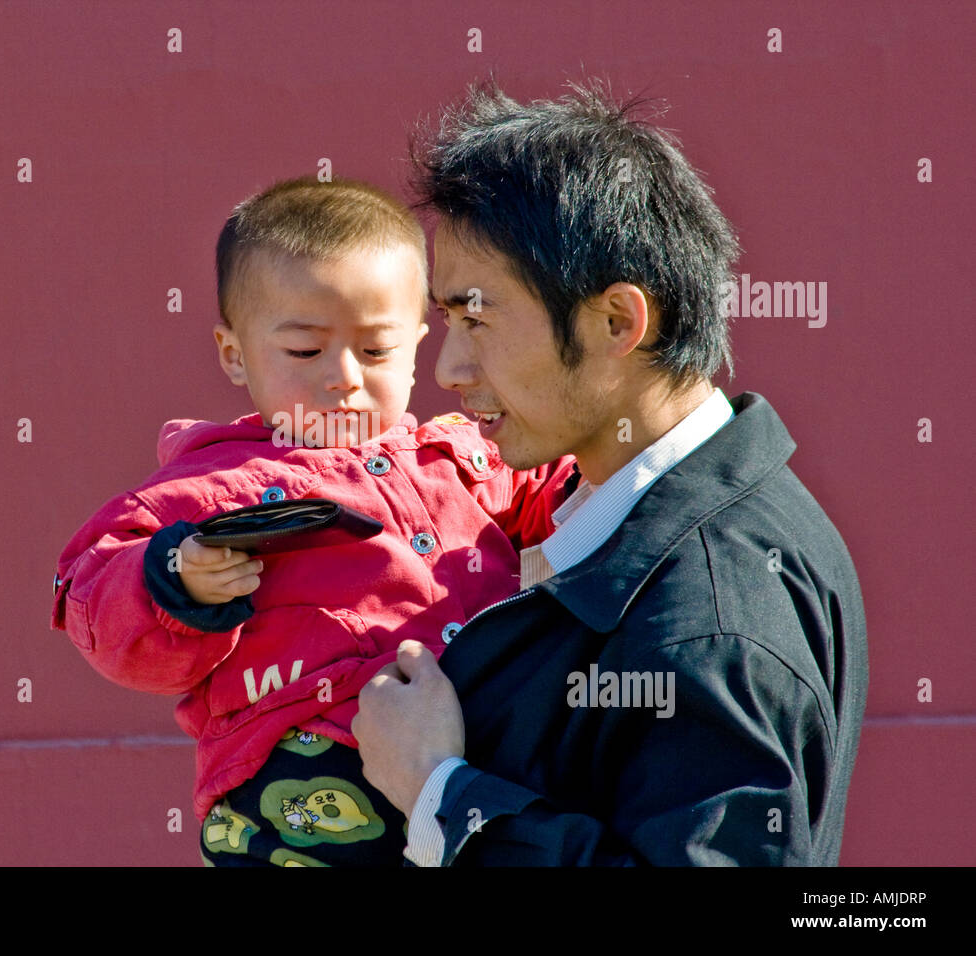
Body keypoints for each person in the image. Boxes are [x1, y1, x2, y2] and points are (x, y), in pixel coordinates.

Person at [353, 80, 869, 866]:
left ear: (618, 321)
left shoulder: (714, 611)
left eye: (480, 317)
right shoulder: (631, 515)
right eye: (447, 319)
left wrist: (444, 796)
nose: (450, 368)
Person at [49, 176, 575, 866]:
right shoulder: (214, 486)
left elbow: (568, 491)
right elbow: (91, 592)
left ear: (420, 342)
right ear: (235, 354)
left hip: (482, 755)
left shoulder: (465, 454)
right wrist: (176, 577)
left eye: (378, 350)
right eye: (305, 352)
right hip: (306, 771)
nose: (345, 376)